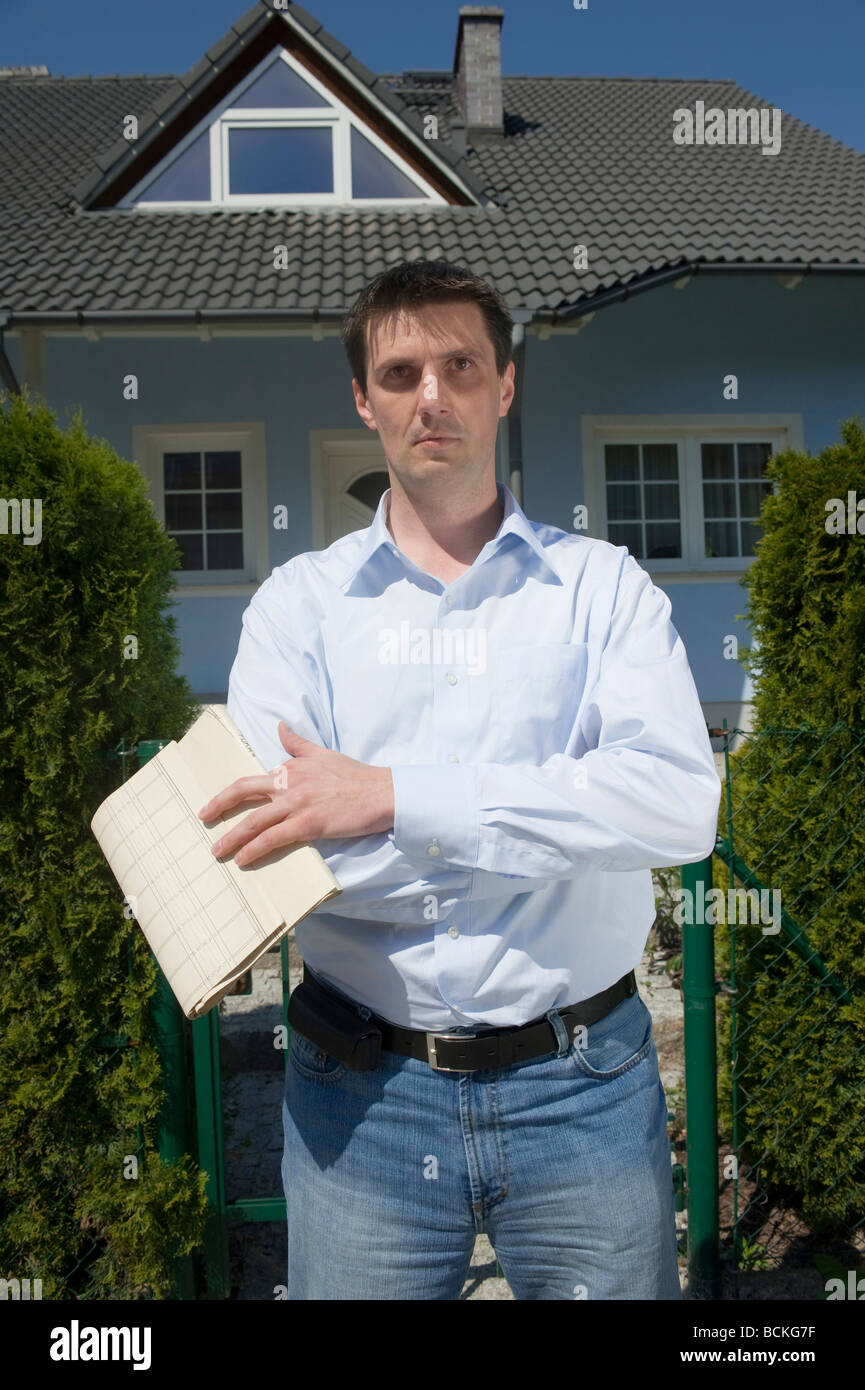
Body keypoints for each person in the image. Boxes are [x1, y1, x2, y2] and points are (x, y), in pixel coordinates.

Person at [198, 259, 721, 1300]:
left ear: (505, 384)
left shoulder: (600, 590)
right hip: (361, 1094)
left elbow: (673, 804)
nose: (430, 395)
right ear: (362, 398)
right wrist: (554, 823)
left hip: (582, 1087)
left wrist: (388, 798)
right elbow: (280, 855)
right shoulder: (298, 611)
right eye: (399, 373)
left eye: (459, 365)